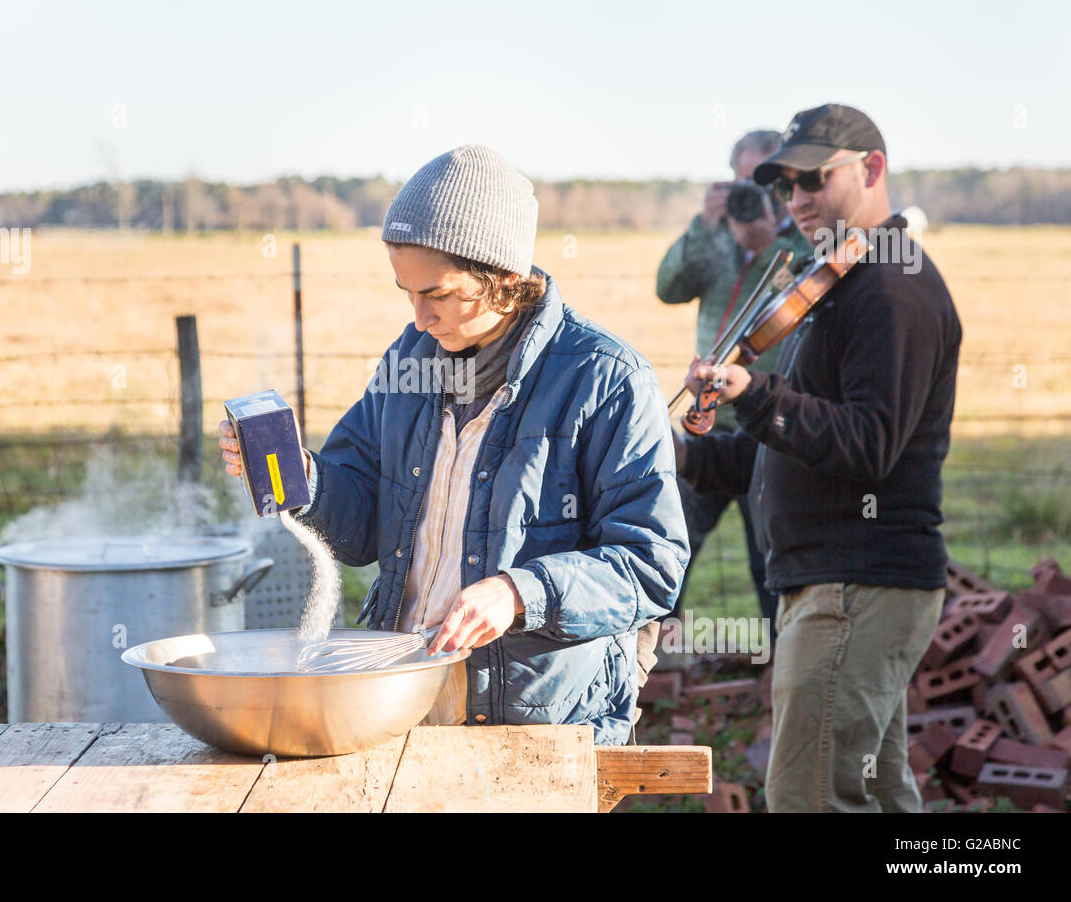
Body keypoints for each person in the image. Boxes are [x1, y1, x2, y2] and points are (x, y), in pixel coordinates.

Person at [219, 144, 688, 745]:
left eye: (437, 294)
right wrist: (303, 478)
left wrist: (523, 592)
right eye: (405, 292)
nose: (418, 319)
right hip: (399, 704)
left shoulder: (607, 380)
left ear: (505, 280)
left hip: (534, 723)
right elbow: (360, 531)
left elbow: (652, 564)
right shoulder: (407, 361)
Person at [673, 104, 962, 811]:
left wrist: (758, 394)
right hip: (838, 587)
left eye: (814, 179)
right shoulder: (835, 288)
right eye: (785, 187)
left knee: (810, 800)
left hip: (855, 589)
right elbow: (777, 456)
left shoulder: (893, 288)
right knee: (877, 799)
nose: (797, 200)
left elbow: (868, 445)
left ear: (871, 169)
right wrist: (682, 452)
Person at [656, 130, 812, 633]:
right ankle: (650, 661)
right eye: (744, 181)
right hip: (707, 421)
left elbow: (798, 294)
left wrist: (768, 245)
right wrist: (705, 224)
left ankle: (780, 660)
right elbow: (668, 287)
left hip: (768, 421)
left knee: (770, 553)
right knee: (669, 542)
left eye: (767, 180)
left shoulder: (801, 243)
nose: (755, 193)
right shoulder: (717, 233)